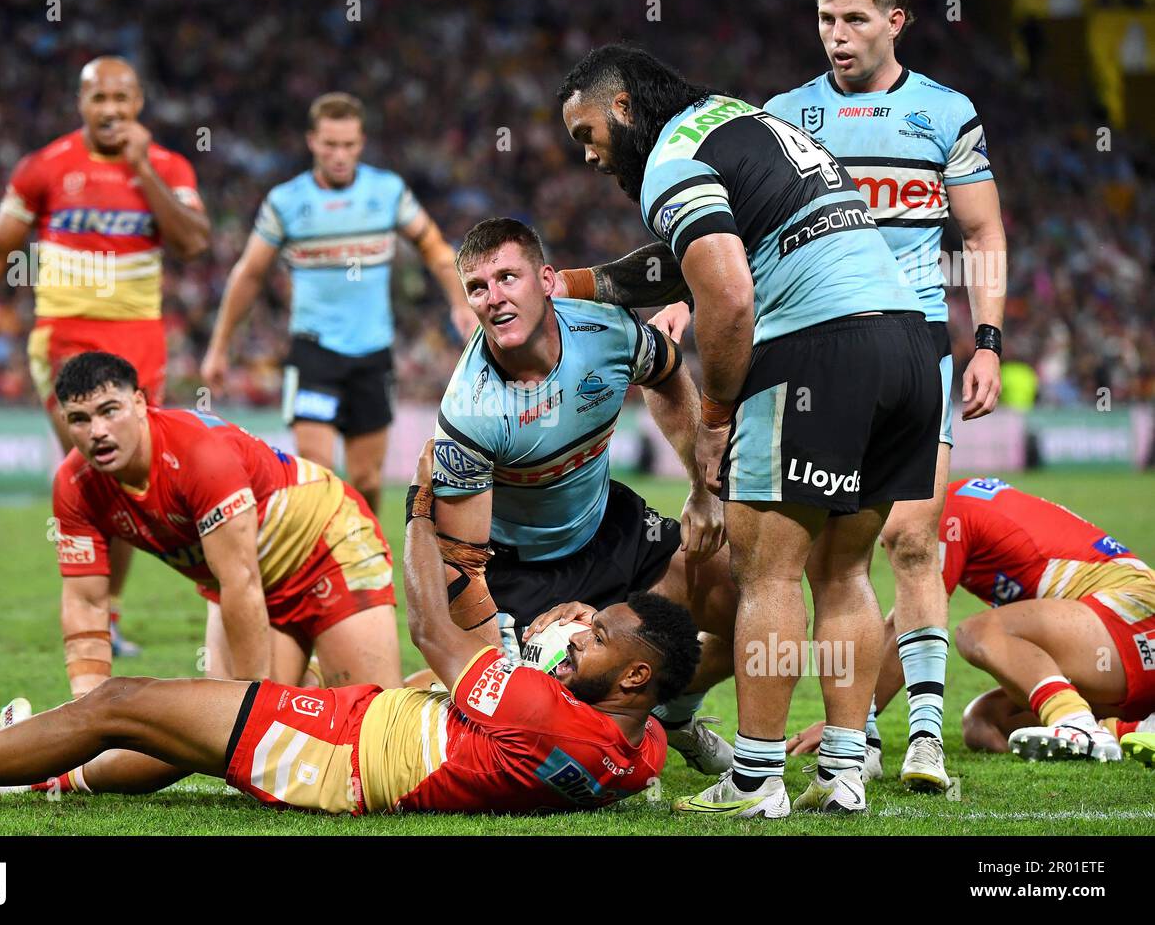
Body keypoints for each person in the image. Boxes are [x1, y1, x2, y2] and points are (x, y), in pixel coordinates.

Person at [0, 446, 702, 816]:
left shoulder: (548, 713)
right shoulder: (636, 754)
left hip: (338, 753)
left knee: (122, 699)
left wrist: (418, 511)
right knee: (184, 732)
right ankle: (36, 777)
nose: (581, 635)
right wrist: (560, 645)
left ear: (634, 680)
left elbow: (437, 633)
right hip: (386, 735)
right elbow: (551, 701)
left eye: (595, 638)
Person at [559, 44, 939, 816]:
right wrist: (570, 284)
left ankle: (757, 777)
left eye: (587, 132)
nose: (590, 155)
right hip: (906, 348)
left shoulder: (671, 155)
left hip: (816, 353)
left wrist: (716, 421)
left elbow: (727, 298)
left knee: (766, 571)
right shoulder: (739, 120)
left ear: (624, 106)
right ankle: (843, 769)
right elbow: (686, 262)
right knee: (844, 573)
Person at [756, 0, 1007, 792]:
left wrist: (989, 342)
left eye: (855, 18)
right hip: (816, 351)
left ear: (894, 20)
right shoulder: (787, 116)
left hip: (914, 346)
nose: (836, 33)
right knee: (828, 555)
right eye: (826, 18)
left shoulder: (944, 112)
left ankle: (926, 736)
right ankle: (855, 730)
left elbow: (981, 230)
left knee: (910, 536)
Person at [0, 56, 212, 656]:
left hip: (140, 343)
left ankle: (110, 615)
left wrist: (142, 170)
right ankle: (92, 617)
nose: (111, 110)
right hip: (66, 339)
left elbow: (194, 242)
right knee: (100, 466)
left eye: (122, 99)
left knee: (131, 480)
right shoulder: (45, 168)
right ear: (81, 104)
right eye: (99, 98)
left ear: (140, 105)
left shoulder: (169, 167)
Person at [431, 217, 735, 774]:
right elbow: (462, 565)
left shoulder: (605, 330)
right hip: (520, 573)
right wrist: (503, 661)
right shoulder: (470, 411)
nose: (494, 298)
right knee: (556, 742)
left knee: (746, 590)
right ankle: (423, 695)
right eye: (478, 287)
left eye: (507, 278)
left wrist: (701, 488)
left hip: (610, 528)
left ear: (547, 279)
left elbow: (665, 373)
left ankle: (673, 714)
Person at [50, 351, 402, 700]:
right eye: (80, 419)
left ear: (140, 403)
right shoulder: (75, 485)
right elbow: (86, 603)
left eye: (110, 411)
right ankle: (308, 684)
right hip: (246, 577)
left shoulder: (198, 454)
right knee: (223, 747)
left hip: (326, 545)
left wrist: (251, 709)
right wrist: (84, 711)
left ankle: (426, 691)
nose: (98, 431)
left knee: (371, 717)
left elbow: (241, 581)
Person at [201, 92, 476, 514]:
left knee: (365, 480)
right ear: (312, 141)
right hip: (314, 354)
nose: (339, 154)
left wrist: (459, 303)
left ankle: (361, 561)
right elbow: (249, 273)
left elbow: (436, 250)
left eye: (348, 145)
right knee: (317, 472)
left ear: (361, 142)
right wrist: (219, 347)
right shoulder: (286, 202)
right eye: (330, 144)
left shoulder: (386, 192)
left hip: (372, 355)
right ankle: (323, 574)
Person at [787, 477, 1155, 767]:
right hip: (1112, 651)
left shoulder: (943, 515)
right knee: (983, 722)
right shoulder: (956, 505)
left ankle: (1077, 724)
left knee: (980, 631)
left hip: (1134, 616)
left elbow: (912, 631)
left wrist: (847, 724)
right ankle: (1129, 729)